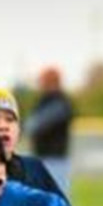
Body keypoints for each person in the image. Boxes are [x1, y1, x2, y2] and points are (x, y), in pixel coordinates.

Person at [25, 67, 73, 196]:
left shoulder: (60, 102)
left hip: (55, 160)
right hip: (43, 158)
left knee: (56, 203)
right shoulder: (44, 101)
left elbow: (34, 126)